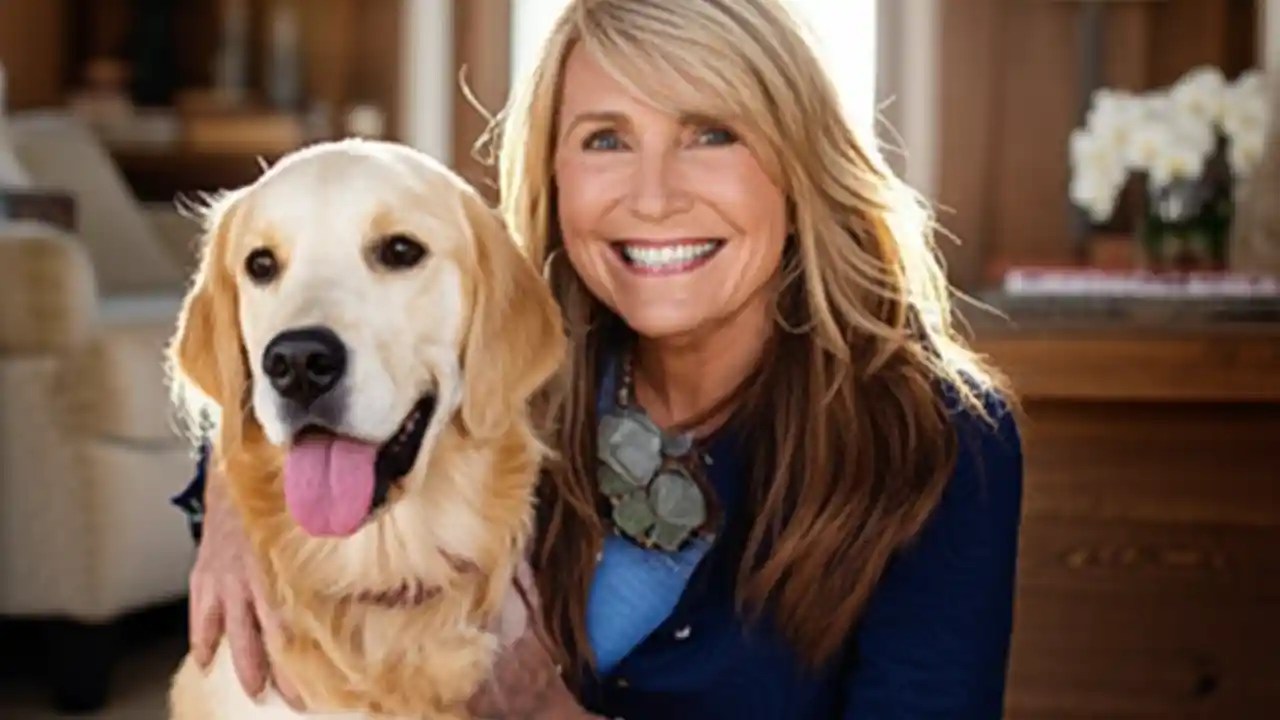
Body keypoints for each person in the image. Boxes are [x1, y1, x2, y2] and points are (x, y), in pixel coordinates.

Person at [176, 1, 1025, 717]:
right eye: (606, 140)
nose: (653, 196)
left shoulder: (940, 439)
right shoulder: (516, 355)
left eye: (712, 133)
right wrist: (229, 502)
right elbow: (335, 367)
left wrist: (547, 708)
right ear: (553, 170)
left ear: (801, 166)